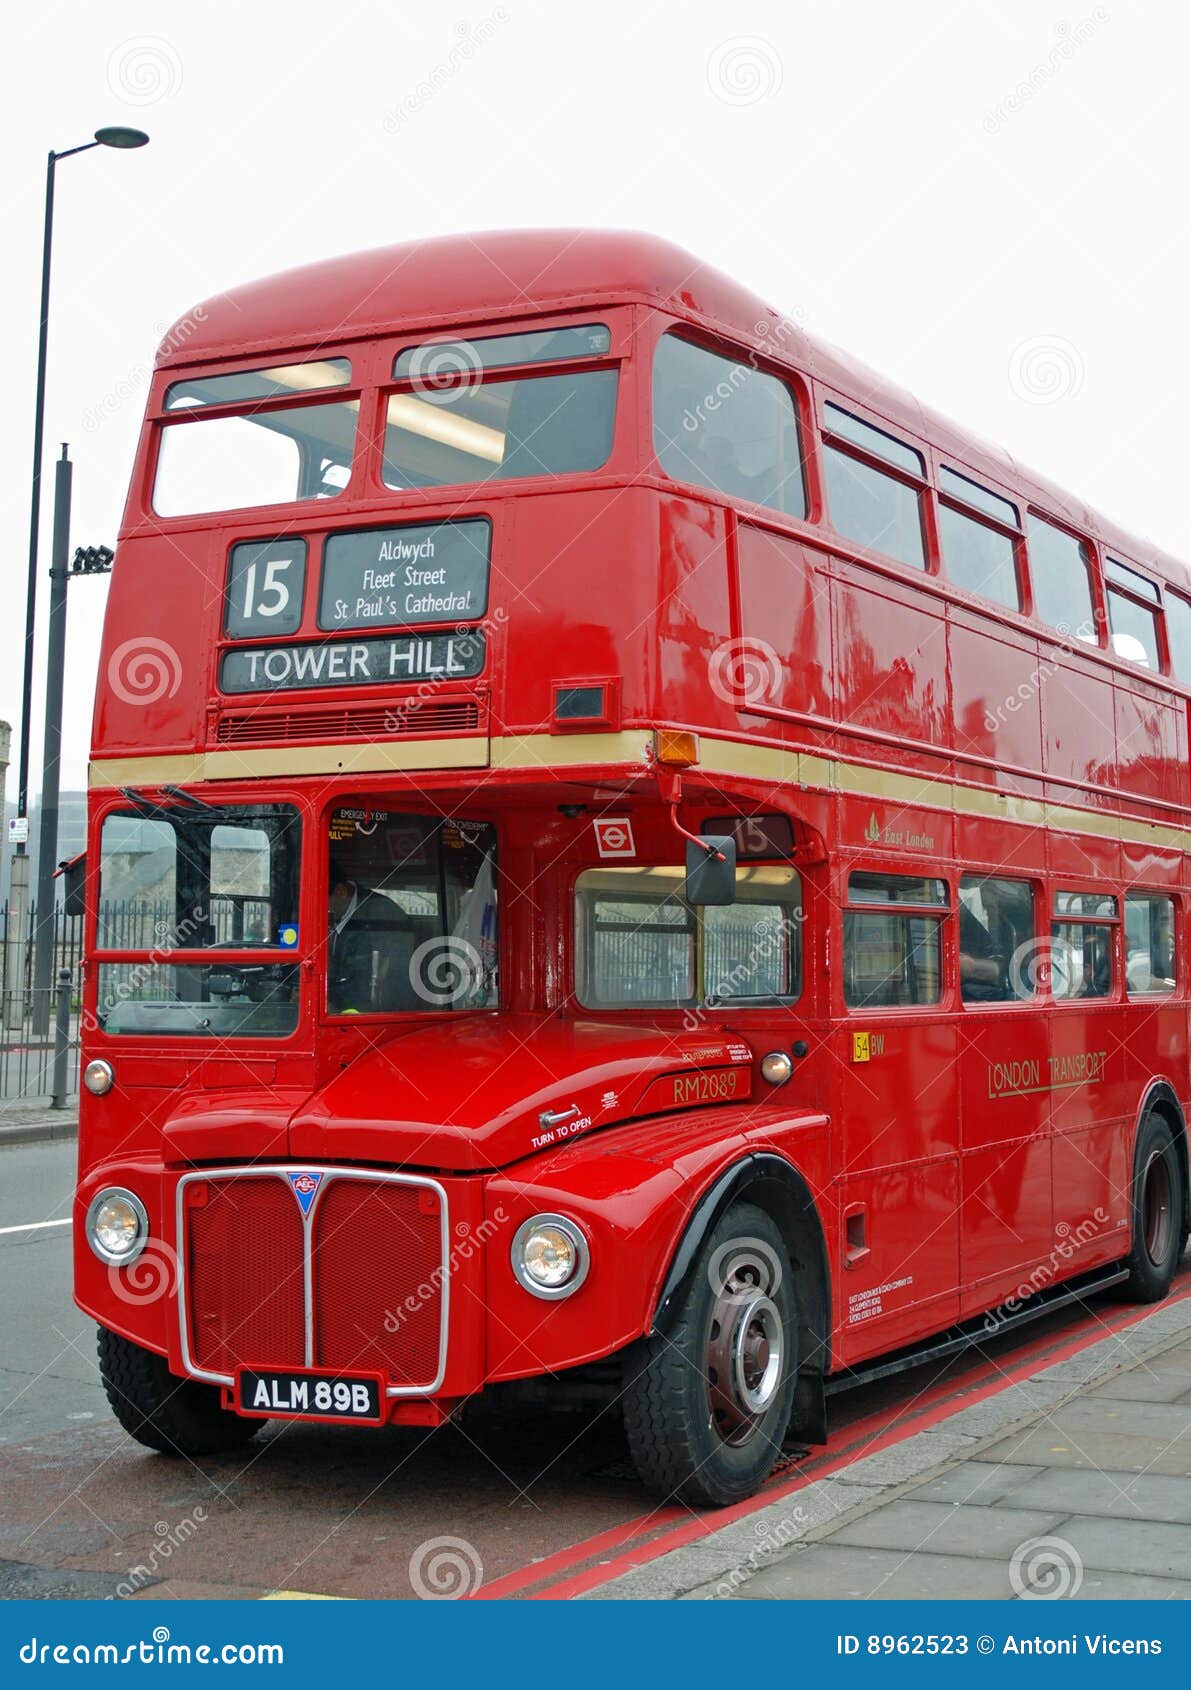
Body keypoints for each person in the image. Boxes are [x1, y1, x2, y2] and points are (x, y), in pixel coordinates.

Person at [327, 858, 411, 1013]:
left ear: (341, 892)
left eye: (324, 902)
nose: (324, 909)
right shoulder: (340, 913)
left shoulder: (381, 912)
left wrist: (326, 998)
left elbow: (366, 978)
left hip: (378, 1010)